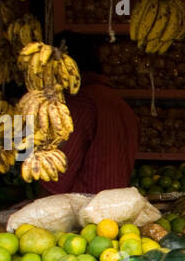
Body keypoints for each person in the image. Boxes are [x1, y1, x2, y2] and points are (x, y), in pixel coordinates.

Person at [40, 37, 139, 194]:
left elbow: (57, 176)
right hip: (115, 208)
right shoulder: (120, 103)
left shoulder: (81, 103)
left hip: (82, 212)